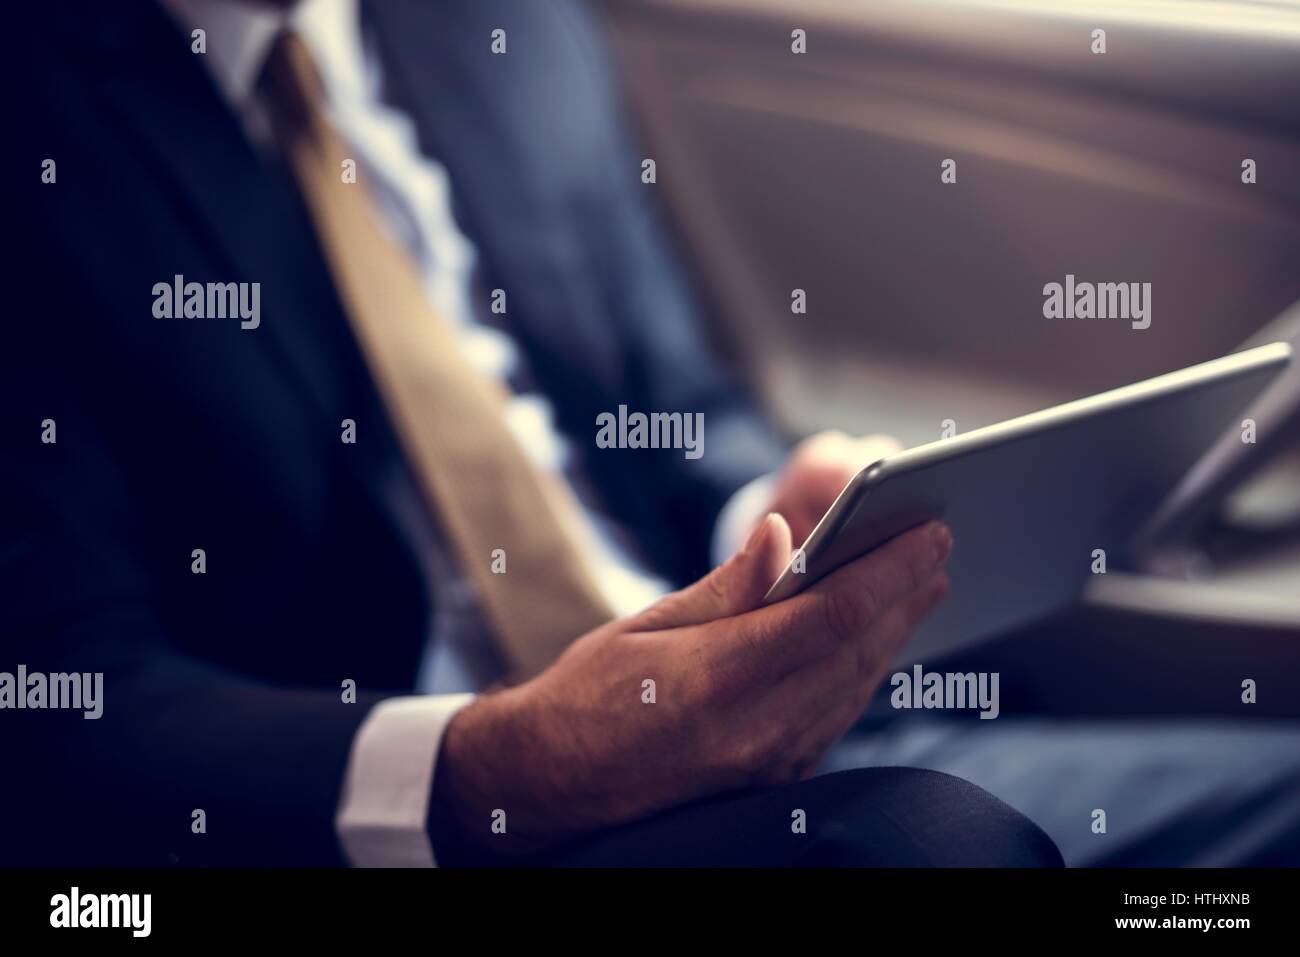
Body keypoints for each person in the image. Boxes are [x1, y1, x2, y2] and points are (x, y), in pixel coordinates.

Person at [3, 0, 1061, 867]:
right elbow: (55, 701)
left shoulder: (501, 25)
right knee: (938, 845)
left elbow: (674, 406)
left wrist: (771, 525)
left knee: (1228, 803)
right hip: (407, 822)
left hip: (767, 739)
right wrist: (498, 768)